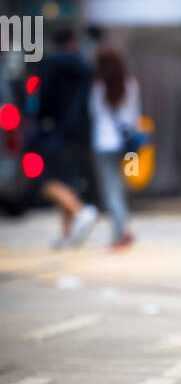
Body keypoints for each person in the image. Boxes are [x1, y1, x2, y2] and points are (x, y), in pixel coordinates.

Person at [31, 28, 98, 248]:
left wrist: (40, 118)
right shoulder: (84, 67)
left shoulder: (51, 65)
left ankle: (81, 211)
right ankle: (67, 235)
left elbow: (45, 98)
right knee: (66, 180)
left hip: (58, 130)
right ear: (72, 43)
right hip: (81, 132)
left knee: (47, 182)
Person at [89, 47, 140, 249]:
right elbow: (136, 114)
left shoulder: (98, 86)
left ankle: (119, 232)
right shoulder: (131, 84)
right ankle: (124, 228)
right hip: (128, 143)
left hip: (104, 142)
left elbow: (93, 112)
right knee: (122, 185)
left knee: (109, 188)